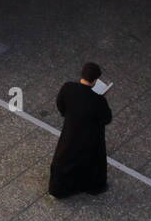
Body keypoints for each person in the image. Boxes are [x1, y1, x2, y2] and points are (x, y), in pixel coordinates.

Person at [48, 62, 112, 199]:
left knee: (65, 157)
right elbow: (106, 118)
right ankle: (89, 186)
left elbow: (60, 104)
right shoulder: (98, 100)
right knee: (90, 161)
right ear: (95, 80)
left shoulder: (68, 88)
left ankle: (59, 188)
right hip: (89, 137)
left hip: (70, 132)